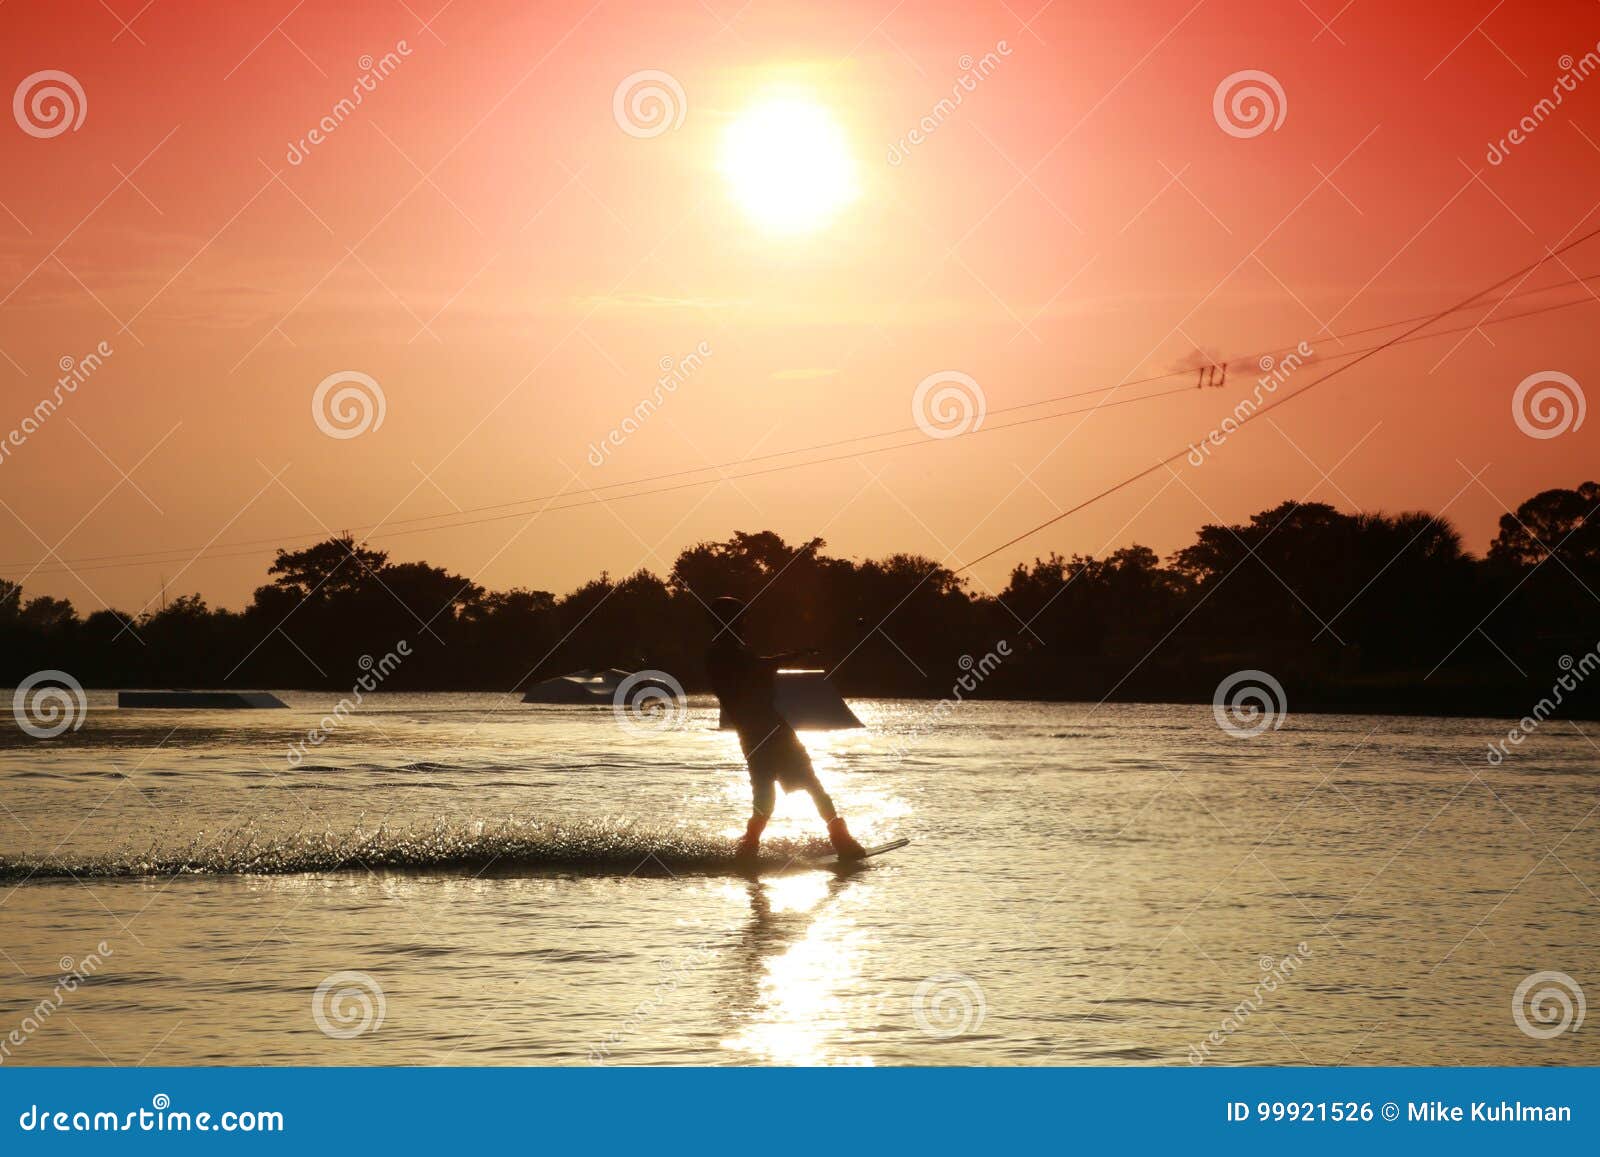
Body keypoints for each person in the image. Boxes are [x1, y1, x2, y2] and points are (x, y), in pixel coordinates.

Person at [706, 595, 866, 861]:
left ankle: (751, 847)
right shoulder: (721, 654)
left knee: (795, 787)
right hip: (763, 732)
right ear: (727, 621)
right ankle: (839, 841)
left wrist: (792, 656)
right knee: (787, 790)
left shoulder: (733, 650)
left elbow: (756, 667)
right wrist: (793, 656)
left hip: (762, 731)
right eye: (740, 618)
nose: (744, 624)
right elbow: (757, 667)